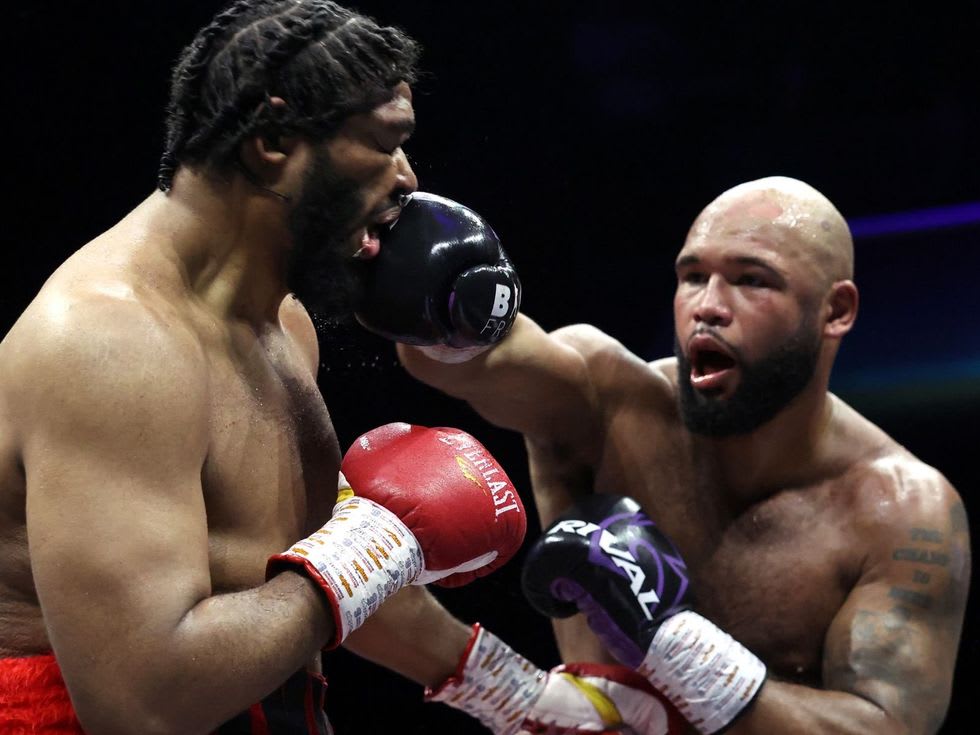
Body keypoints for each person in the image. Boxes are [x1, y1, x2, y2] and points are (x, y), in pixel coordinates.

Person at [0, 2, 682, 733]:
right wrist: (372, 549)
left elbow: (296, 577)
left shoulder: (282, 323)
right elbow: (139, 703)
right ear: (271, 142)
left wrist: (520, 696)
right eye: (384, 145)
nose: (407, 179)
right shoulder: (110, 344)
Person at [393, 176, 972, 734]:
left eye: (752, 280)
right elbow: (461, 360)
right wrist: (426, 286)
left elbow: (884, 728)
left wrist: (674, 642)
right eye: (692, 276)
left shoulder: (901, 511)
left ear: (835, 311)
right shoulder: (602, 405)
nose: (708, 306)